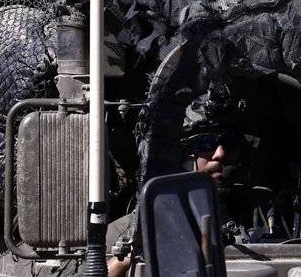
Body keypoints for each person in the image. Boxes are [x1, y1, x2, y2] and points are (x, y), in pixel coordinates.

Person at [106, 91, 268, 276]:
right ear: (175, 154)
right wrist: (131, 255)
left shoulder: (262, 211)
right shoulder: (125, 233)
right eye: (205, 143)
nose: (220, 153)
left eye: (229, 141)